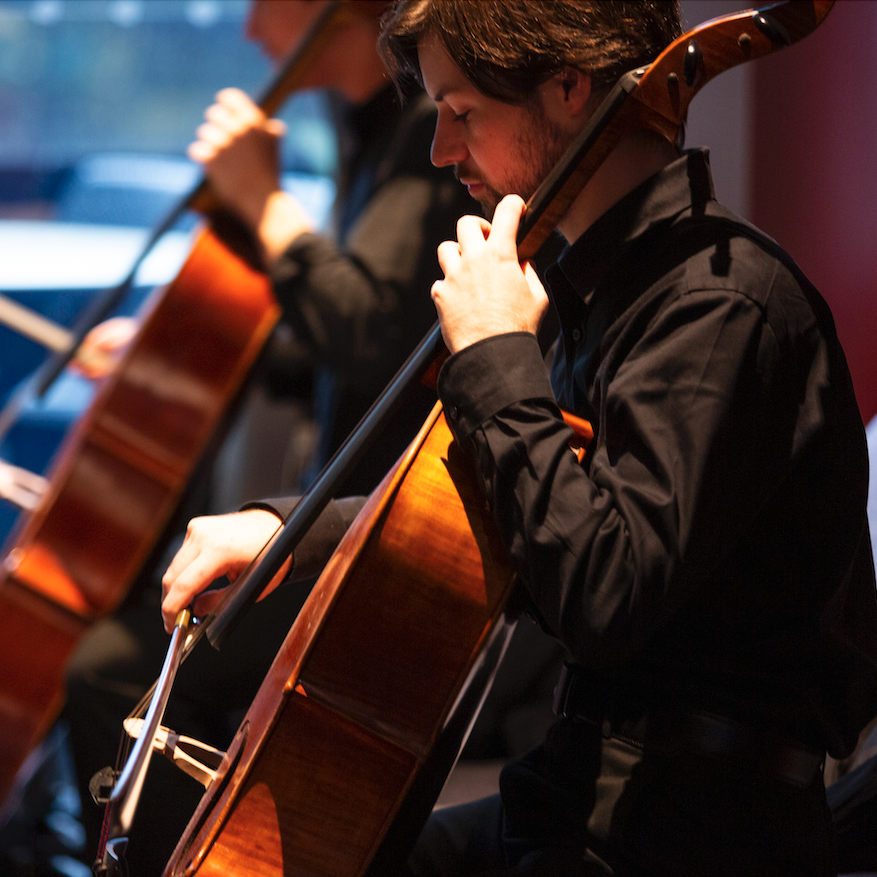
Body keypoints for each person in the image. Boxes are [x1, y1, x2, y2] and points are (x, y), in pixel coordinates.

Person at [160, 1, 877, 875]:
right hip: (581, 793)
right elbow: (520, 526)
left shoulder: (718, 305)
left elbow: (601, 589)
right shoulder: (596, 294)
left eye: (462, 115)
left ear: (570, 87)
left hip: (683, 830)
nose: (440, 152)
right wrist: (291, 533)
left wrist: (500, 355)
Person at [53, 2, 478, 875]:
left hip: (382, 552)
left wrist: (266, 204)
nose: (248, 30)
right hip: (337, 525)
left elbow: (368, 330)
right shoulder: (368, 131)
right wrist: (167, 345)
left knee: (105, 666)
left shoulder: (424, 145)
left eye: (260, 3)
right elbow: (342, 345)